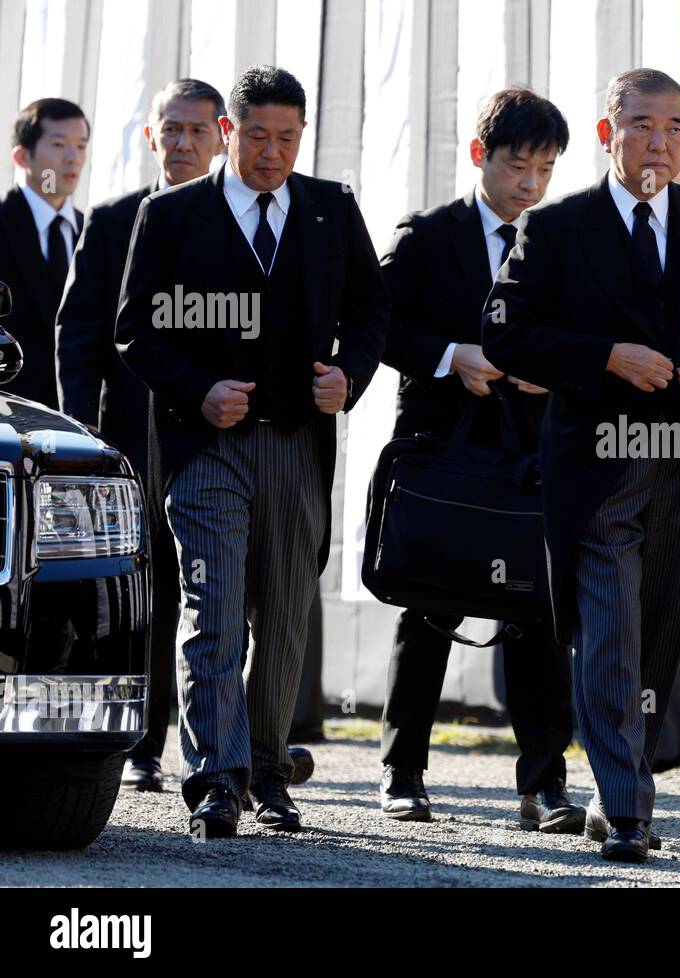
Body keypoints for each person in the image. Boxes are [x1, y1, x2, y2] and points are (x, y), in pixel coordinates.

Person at [482, 68, 680, 862]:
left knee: (657, 644)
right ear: (608, 132)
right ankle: (627, 810)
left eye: (674, 127)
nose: (660, 142)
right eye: (643, 125)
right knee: (609, 637)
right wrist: (605, 357)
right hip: (598, 474)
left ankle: (623, 776)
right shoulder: (556, 228)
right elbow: (507, 334)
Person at [116, 65, 389, 838]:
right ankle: (216, 778)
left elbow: (373, 309)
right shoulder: (169, 216)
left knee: (287, 616)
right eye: (259, 136)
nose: (273, 154)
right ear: (228, 132)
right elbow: (136, 329)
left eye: (289, 139)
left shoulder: (332, 210)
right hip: (207, 448)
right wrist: (198, 390)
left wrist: (351, 376)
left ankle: (269, 768)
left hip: (299, 447)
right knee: (215, 608)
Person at [376, 87, 581, 833]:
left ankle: (546, 785)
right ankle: (403, 774)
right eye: (517, 165)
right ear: (480, 157)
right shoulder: (428, 236)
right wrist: (450, 355)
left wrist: (550, 368)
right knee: (427, 609)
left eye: (546, 168)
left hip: (533, 458)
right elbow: (373, 326)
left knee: (539, 616)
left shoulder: (563, 240)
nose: (529, 184)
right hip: (442, 457)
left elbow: (589, 341)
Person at [57, 78, 226, 794]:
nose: (183, 143)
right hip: (131, 440)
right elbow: (78, 335)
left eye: (197, 131)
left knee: (222, 592)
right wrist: (83, 438)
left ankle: (228, 749)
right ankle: (142, 744)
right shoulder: (111, 220)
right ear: (152, 137)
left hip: (222, 438)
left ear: (220, 135)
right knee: (145, 593)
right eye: (171, 130)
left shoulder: (239, 222)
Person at [0, 98, 89, 408]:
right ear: (22, 156)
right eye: (59, 144)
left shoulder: (91, 229)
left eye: (81, 146)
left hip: (79, 421)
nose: (73, 158)